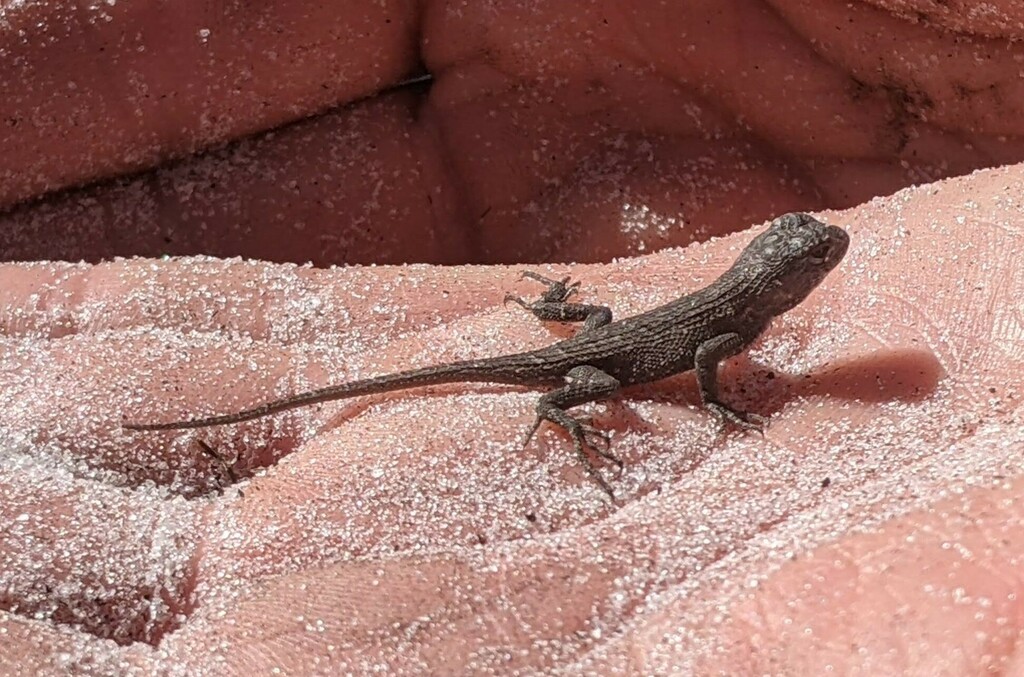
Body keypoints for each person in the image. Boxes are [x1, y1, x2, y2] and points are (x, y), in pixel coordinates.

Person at [1, 2, 1022, 673]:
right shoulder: (741, 316)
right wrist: (668, 401)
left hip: (618, 336)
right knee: (580, 375)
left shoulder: (746, 306)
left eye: (815, 252)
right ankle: (552, 399)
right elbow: (708, 360)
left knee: (605, 340)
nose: (818, 255)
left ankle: (558, 333)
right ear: (777, 270)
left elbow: (715, 348)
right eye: (809, 254)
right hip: (595, 360)